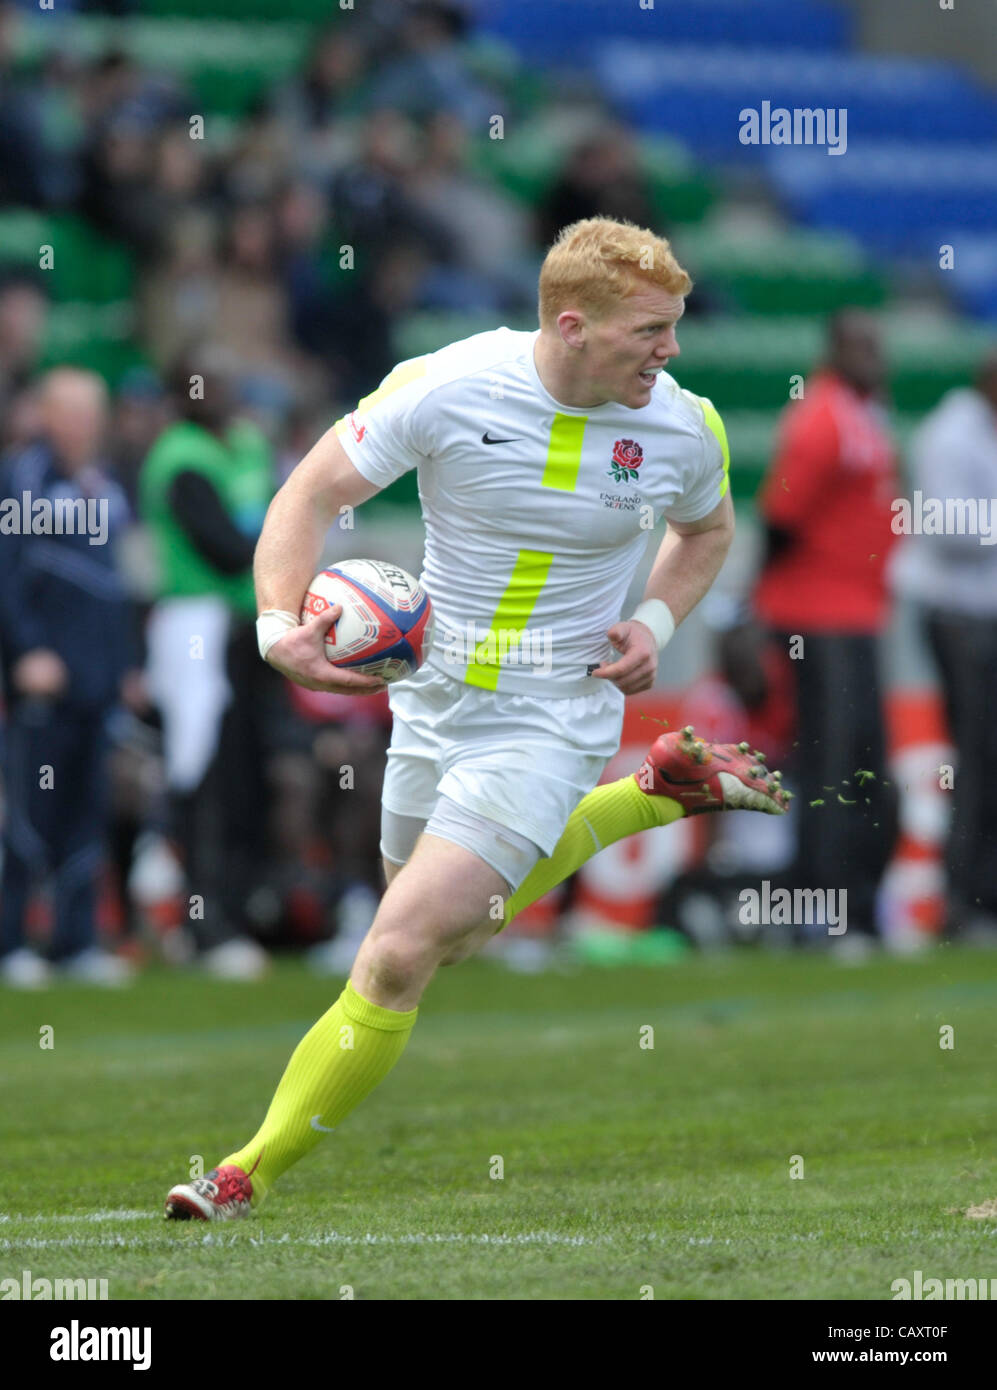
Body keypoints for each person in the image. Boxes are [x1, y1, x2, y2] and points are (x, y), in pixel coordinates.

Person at [162, 216, 789, 1219]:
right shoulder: (448, 385)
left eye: (674, 327)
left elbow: (708, 527)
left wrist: (656, 620)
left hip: (552, 716)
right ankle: (652, 797)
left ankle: (243, 1171)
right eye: (651, 330)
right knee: (448, 935)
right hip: (431, 697)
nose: (671, 349)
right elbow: (309, 492)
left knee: (399, 951)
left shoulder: (683, 426)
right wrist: (279, 626)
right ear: (573, 325)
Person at [753, 310, 900, 943]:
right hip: (815, 617)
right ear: (836, 350)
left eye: (877, 344)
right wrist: (764, 607)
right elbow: (780, 517)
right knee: (834, 767)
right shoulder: (821, 415)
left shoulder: (864, 414)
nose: (874, 356)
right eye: (860, 345)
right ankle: (818, 911)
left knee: (865, 765)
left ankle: (857, 907)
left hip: (857, 615)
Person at [139, 351, 279, 979]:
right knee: (200, 774)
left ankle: (238, 910)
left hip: (249, 624)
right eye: (203, 384)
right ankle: (201, 923)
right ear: (183, 394)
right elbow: (224, 549)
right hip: (194, 624)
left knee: (247, 769)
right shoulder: (180, 459)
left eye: (221, 380)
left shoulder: (247, 443)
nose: (216, 392)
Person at [0, 368, 136, 987]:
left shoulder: (106, 486)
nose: (84, 423)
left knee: (88, 809)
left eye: (93, 411)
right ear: (46, 414)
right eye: (72, 411)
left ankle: (75, 941)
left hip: (97, 677)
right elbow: (7, 578)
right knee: (32, 812)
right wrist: (26, 652)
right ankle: (11, 943)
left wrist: (128, 663)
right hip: (43, 678)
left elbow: (115, 587)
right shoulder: (24, 479)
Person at [891, 351, 997, 940]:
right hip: (957, 615)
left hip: (985, 613)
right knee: (976, 754)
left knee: (990, 754)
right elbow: (948, 528)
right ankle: (963, 899)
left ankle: (986, 894)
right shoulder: (948, 435)